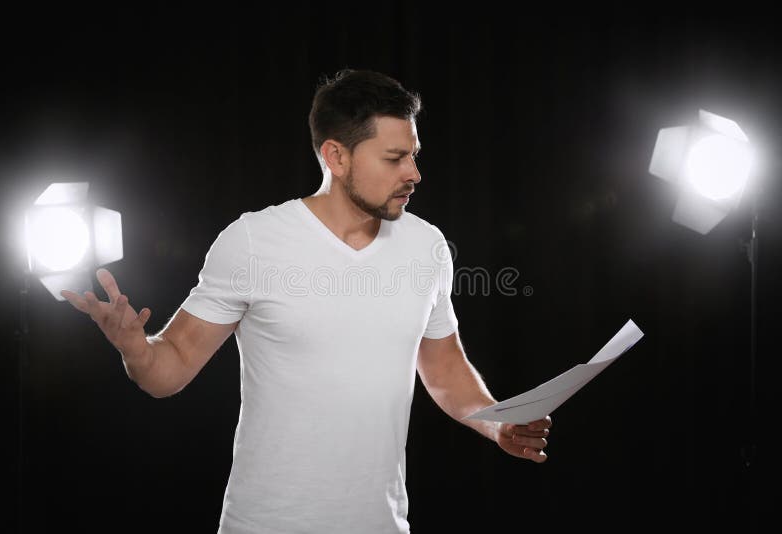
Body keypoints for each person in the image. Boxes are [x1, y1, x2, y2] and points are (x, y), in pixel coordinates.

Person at [61, 69, 551, 534]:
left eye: (414, 155)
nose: (414, 173)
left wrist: (497, 423)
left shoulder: (428, 246)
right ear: (336, 157)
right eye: (394, 158)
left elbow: (444, 370)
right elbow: (169, 369)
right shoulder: (254, 240)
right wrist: (135, 347)